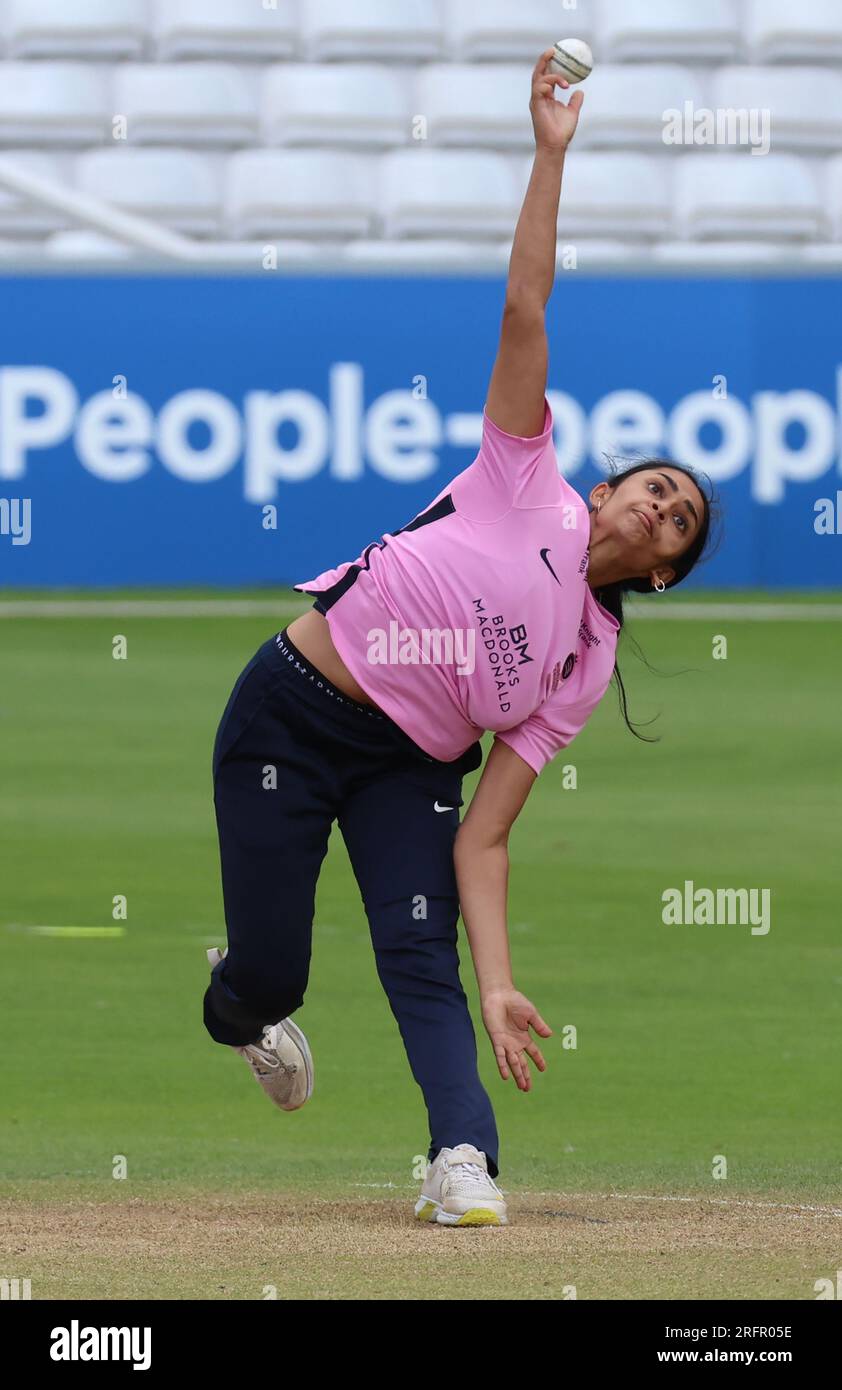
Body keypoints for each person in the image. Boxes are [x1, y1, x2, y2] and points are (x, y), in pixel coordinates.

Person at [203, 50, 717, 1228]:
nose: (657, 506)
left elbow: (484, 838)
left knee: (419, 959)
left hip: (409, 767)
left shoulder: (581, 665)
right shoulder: (520, 474)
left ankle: (460, 1160)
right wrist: (548, 155)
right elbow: (525, 306)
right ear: (607, 490)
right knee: (272, 971)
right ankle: (239, 1010)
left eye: (676, 521)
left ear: (660, 571)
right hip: (289, 705)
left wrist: (501, 983)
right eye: (652, 486)